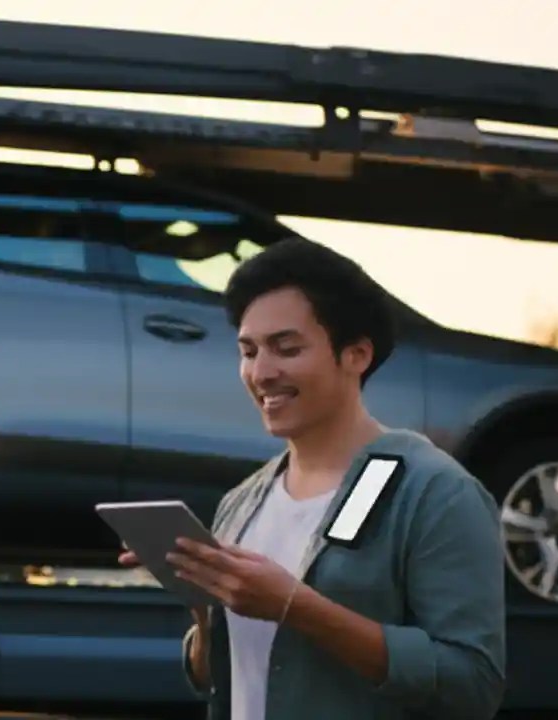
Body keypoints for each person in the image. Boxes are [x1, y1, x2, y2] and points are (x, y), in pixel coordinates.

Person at [119, 238, 506, 720]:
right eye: (248, 351)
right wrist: (200, 602)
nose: (262, 373)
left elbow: (473, 685)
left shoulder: (434, 493)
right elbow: (215, 678)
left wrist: (296, 607)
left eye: (287, 349)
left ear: (356, 355)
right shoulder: (242, 502)